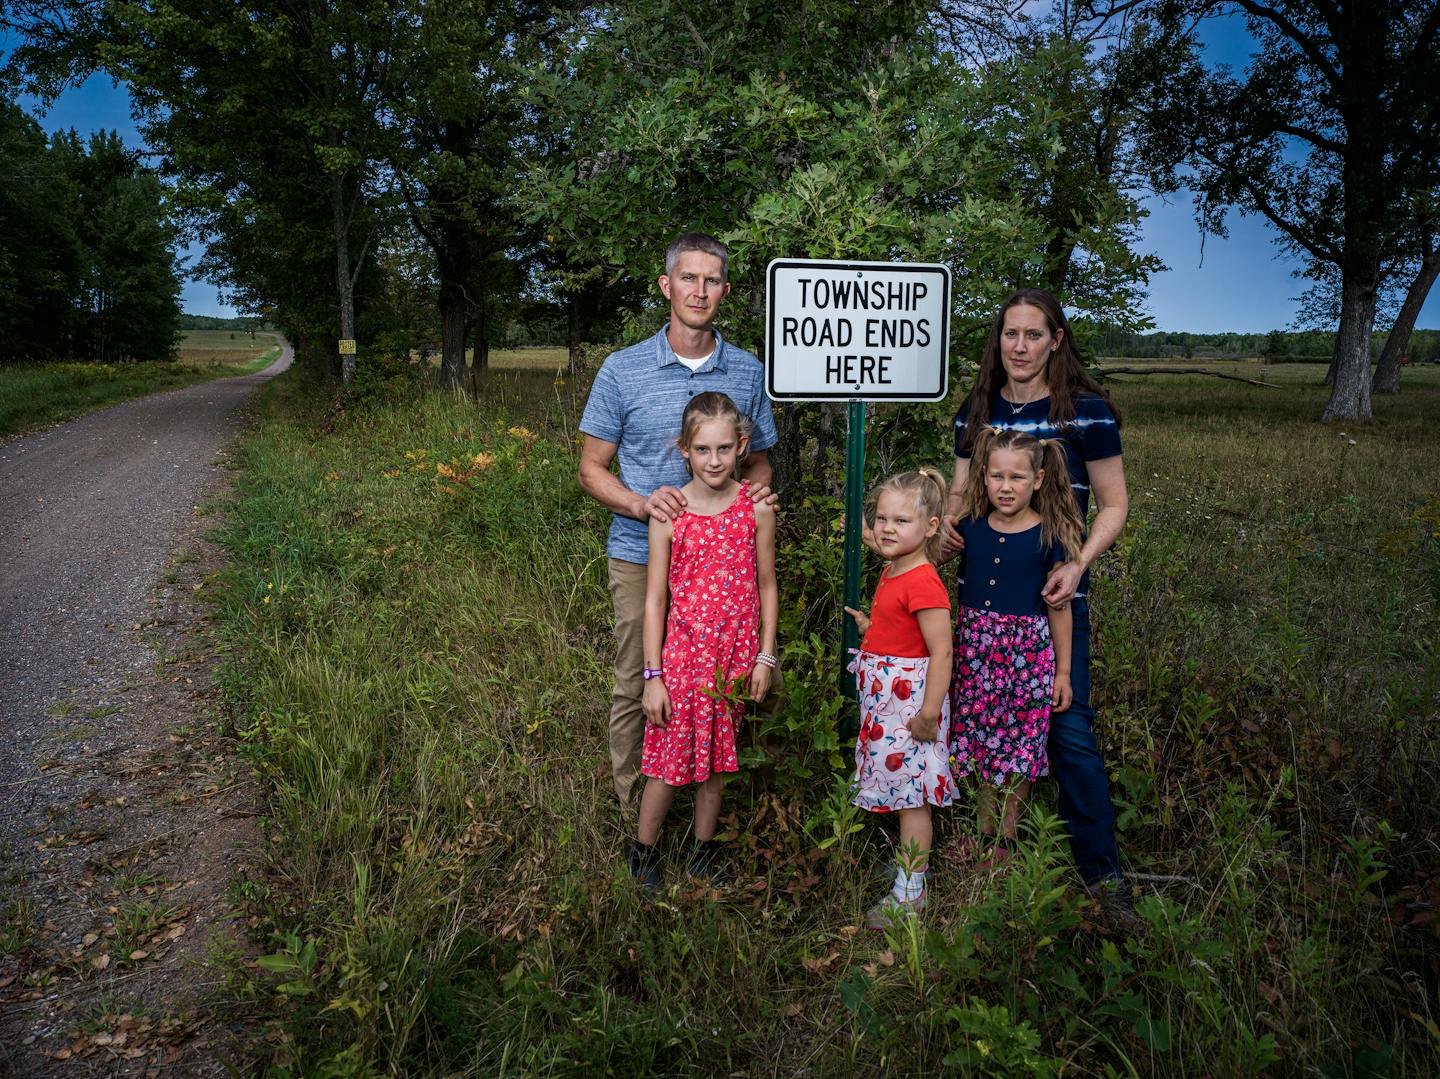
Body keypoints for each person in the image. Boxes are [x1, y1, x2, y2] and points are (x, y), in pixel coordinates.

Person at [942, 286, 1140, 930]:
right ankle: (990, 851)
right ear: (997, 340)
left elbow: (1113, 504)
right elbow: (961, 494)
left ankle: (1103, 879)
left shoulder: (1086, 411)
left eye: (1033, 335)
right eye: (1010, 334)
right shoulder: (978, 410)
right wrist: (946, 529)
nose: (1020, 346)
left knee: (1070, 730)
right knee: (978, 724)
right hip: (984, 610)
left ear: (1056, 341)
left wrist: (1078, 562)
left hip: (1053, 599)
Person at [578, 233, 778, 810]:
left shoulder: (747, 372)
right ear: (667, 286)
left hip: (723, 570)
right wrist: (641, 505)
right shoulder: (623, 370)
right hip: (642, 554)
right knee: (637, 680)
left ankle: (716, 804)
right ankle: (632, 801)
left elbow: (760, 460)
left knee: (729, 684)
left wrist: (756, 494)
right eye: (688, 278)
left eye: (711, 280)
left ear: (725, 291)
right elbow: (591, 468)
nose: (699, 291)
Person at [630, 393, 778, 890]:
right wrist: (653, 676)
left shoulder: (755, 509)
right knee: (669, 761)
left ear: (742, 446)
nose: (714, 461)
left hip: (734, 658)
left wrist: (764, 656)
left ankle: (702, 851)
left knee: (717, 759)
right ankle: (644, 852)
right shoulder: (669, 514)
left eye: (723, 449)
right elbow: (655, 600)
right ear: (684, 450)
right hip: (682, 660)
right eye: (702, 450)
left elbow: (767, 586)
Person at [948, 427, 1081, 860]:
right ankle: (983, 832)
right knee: (982, 742)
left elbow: (1059, 607)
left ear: (1037, 480)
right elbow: (926, 557)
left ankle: (1005, 839)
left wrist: (1063, 672)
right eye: (997, 476)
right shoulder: (970, 527)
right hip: (975, 654)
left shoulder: (1049, 535)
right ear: (984, 477)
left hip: (1026, 658)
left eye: (1017, 478)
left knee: (1019, 746)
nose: (1005, 487)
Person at [844, 469, 956, 930]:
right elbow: (904, 633)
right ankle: (908, 872)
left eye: (901, 521)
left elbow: (941, 651)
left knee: (912, 798)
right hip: (888, 703)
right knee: (900, 789)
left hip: (911, 709)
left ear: (930, 527)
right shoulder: (896, 567)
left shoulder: (923, 581)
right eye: (882, 518)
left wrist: (929, 715)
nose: (887, 529)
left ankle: (911, 894)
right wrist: (874, 631)